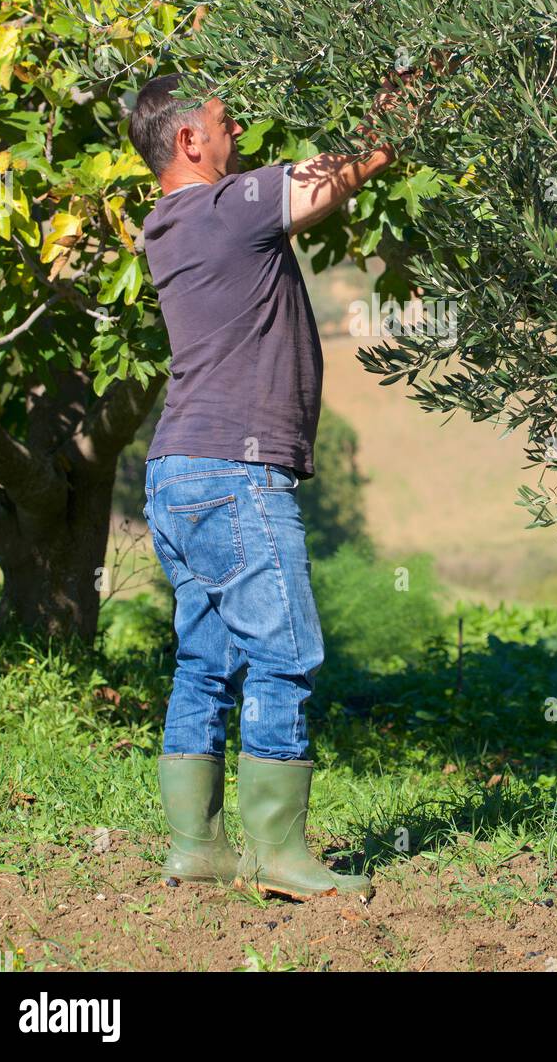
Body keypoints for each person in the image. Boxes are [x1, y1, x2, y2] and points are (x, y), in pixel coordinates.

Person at [129, 66, 425, 899]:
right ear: (188, 139)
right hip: (234, 471)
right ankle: (278, 855)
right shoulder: (220, 210)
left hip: (179, 472)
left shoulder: (167, 224)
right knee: (285, 653)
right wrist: (395, 126)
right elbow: (328, 180)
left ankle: (199, 846)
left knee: (204, 660)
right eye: (223, 122)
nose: (236, 133)